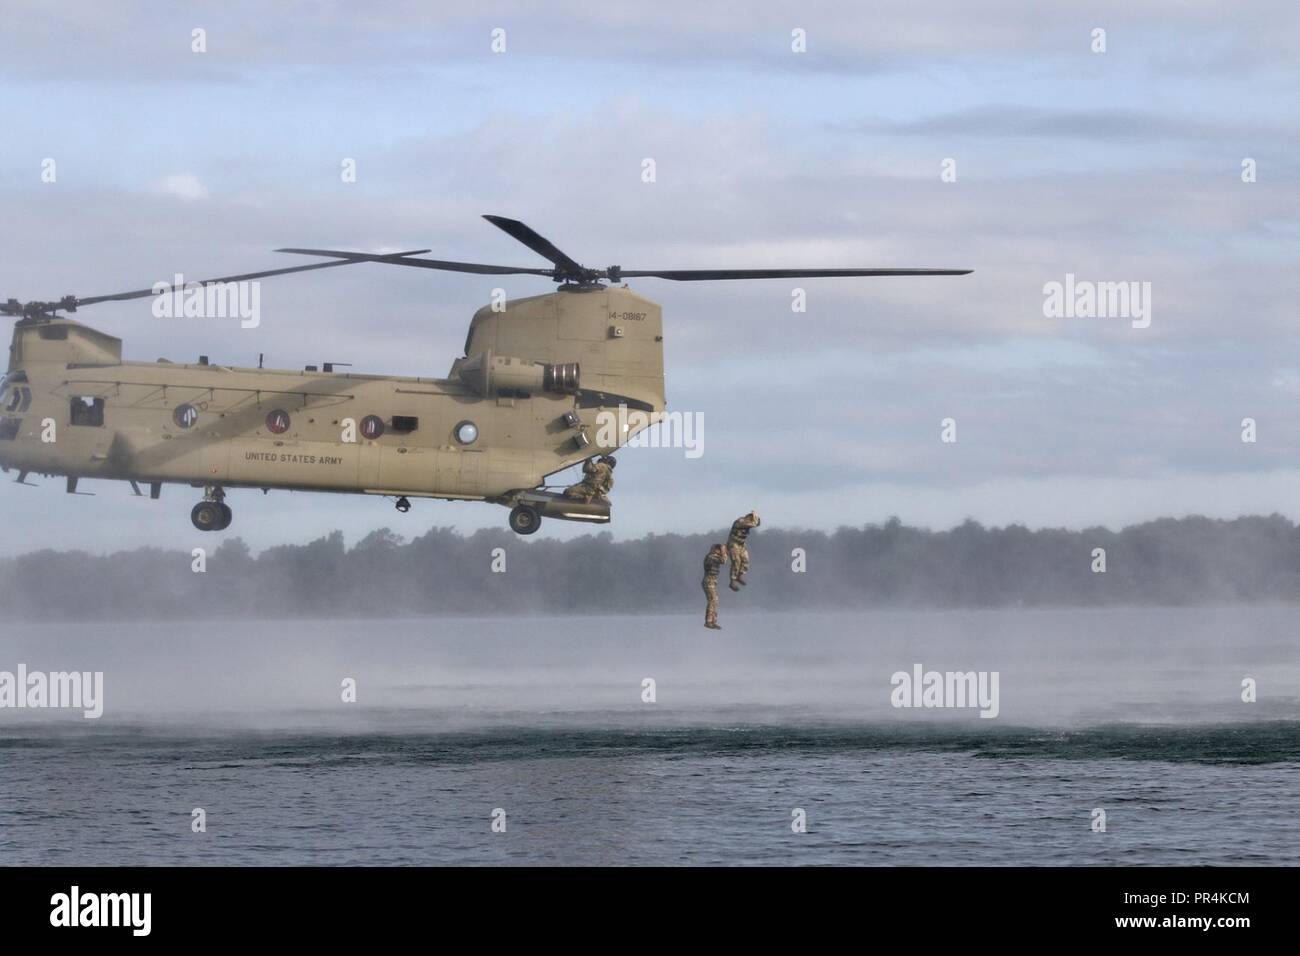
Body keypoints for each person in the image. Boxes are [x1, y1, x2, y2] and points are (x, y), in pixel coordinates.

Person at [726, 510, 760, 591]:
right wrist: (755, 517)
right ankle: (732, 581)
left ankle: (740, 575)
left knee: (745, 559)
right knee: (736, 561)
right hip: (733, 544)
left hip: (741, 545)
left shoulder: (748, 523)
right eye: (752, 519)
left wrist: (756, 517)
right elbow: (753, 524)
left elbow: (757, 524)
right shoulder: (740, 521)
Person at [702, 543, 727, 630]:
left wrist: (724, 550)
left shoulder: (714, 556)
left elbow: (723, 559)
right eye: (719, 550)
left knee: (715, 601)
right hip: (709, 581)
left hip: (712, 582)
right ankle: (708, 621)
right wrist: (723, 550)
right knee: (712, 600)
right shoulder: (711, 557)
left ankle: (713, 621)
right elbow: (723, 561)